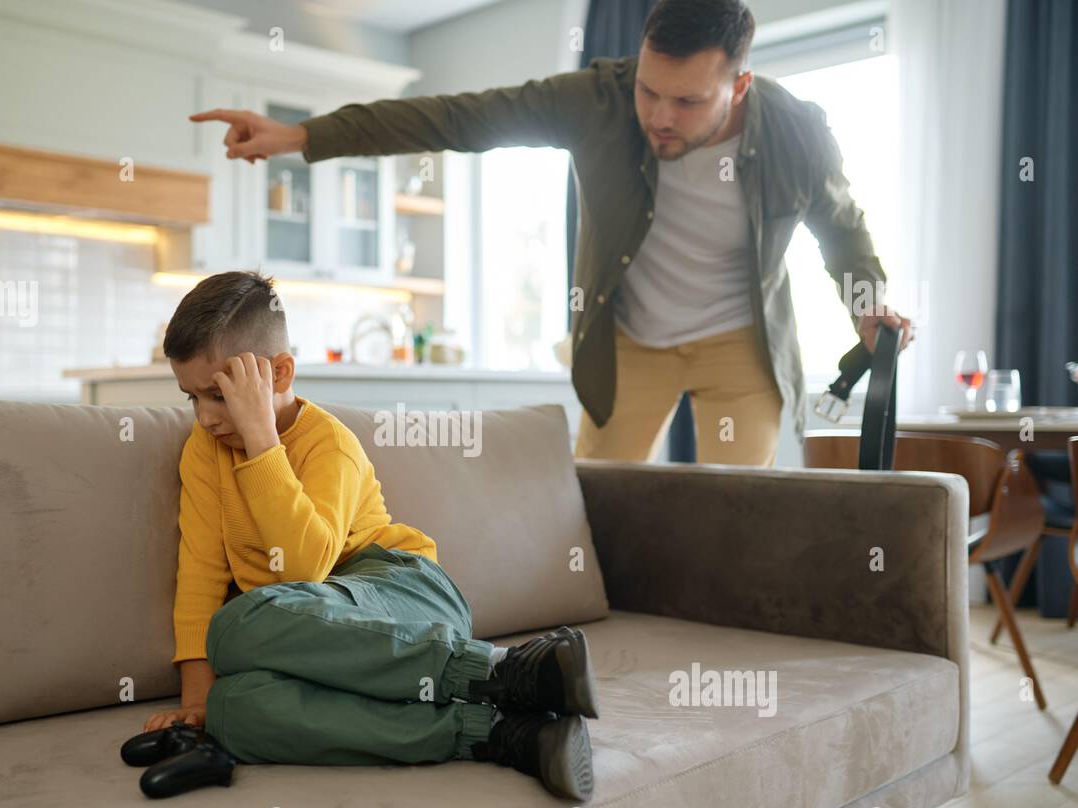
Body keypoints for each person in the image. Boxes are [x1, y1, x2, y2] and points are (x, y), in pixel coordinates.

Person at [190, 0, 914, 467]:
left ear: (740, 87)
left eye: (687, 102)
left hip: (740, 343)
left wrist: (867, 304)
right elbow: (455, 118)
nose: (659, 116)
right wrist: (305, 135)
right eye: (649, 90)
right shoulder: (595, 101)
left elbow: (843, 232)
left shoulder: (797, 133)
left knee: (728, 511)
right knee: (602, 506)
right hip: (631, 339)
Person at [144, 269, 599, 799]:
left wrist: (262, 442)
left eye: (219, 395)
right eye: (191, 398)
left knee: (234, 629)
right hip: (320, 635)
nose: (203, 418)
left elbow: (302, 568)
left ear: (280, 373)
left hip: (405, 590)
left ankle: (501, 669)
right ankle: (500, 732)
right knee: (236, 710)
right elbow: (200, 570)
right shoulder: (204, 452)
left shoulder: (327, 443)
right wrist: (198, 704)